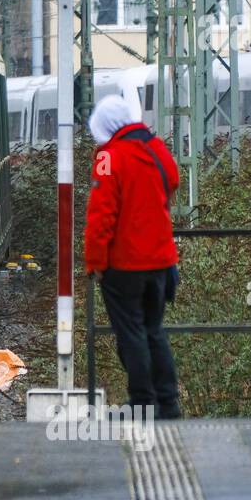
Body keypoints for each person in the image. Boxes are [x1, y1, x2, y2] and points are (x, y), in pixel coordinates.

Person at [84, 95, 182, 419]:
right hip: (162, 261)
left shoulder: (108, 157)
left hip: (124, 264)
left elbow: (101, 216)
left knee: (132, 334)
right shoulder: (156, 148)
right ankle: (168, 404)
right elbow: (174, 179)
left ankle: (142, 404)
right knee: (154, 331)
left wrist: (95, 262)